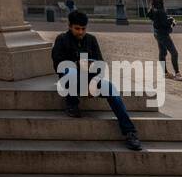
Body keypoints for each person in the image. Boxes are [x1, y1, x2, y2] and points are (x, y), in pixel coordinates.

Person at [51, 10, 143, 150]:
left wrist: (92, 83)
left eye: (83, 29)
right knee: (69, 70)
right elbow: (57, 64)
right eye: (77, 28)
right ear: (69, 26)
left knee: (112, 90)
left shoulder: (91, 39)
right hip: (69, 81)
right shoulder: (61, 39)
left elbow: (100, 65)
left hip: (90, 80)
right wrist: (76, 64)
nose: (81, 32)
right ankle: (72, 104)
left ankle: (130, 132)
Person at [148, 0, 182, 80]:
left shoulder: (152, 10)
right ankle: (177, 73)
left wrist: (168, 20)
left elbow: (157, 21)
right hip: (163, 34)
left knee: (162, 53)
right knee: (174, 53)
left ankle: (165, 73)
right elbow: (165, 24)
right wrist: (172, 22)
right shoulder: (161, 11)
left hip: (157, 33)